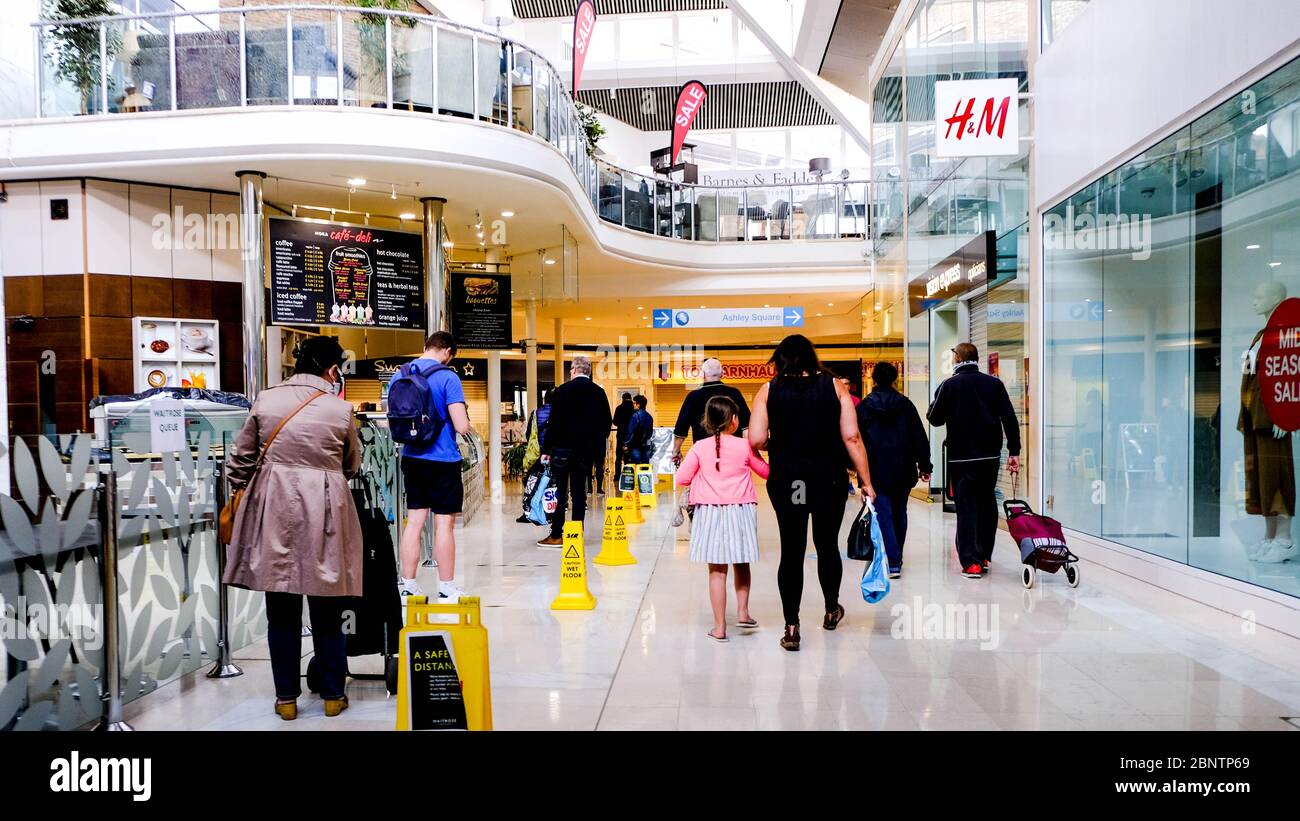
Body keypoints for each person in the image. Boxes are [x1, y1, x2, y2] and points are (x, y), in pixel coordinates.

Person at [224, 336, 361, 721]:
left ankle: (286, 698)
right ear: (332, 370)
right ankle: (333, 695)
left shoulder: (265, 400)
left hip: (273, 506)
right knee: (327, 606)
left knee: (280, 607)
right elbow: (351, 464)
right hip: (327, 508)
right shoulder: (340, 409)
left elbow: (241, 458)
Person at [749, 334, 874, 652]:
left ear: (780, 358)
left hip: (790, 480)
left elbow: (757, 439)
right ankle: (831, 609)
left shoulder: (769, 389)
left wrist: (780, 442)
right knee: (827, 545)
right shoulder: (834, 386)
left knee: (791, 550)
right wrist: (866, 480)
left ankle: (791, 625)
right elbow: (852, 436)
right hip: (827, 478)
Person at [676, 396, 769, 643]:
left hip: (709, 511)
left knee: (717, 570)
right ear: (735, 421)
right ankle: (743, 612)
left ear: (707, 421)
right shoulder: (744, 446)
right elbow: (766, 472)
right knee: (742, 562)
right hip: (740, 509)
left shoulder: (699, 447)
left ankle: (719, 627)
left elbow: (682, 478)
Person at [927, 342, 1021, 579]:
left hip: (961, 457)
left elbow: (934, 418)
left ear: (958, 359)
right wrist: (1014, 451)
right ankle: (985, 554)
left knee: (967, 505)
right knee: (987, 501)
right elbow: (1009, 418)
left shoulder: (949, 385)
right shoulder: (994, 384)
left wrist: (942, 396)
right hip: (990, 455)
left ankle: (972, 562)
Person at [392, 332, 472, 599]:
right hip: (443, 461)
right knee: (443, 525)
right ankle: (446, 587)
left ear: (426, 346)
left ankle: (408, 586)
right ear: (447, 351)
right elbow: (461, 426)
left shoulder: (399, 374)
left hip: (412, 458)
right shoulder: (448, 377)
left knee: (414, 522)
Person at [857, 361, 932, 579]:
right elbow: (919, 437)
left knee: (884, 515)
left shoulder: (863, 408)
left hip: (875, 471)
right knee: (900, 512)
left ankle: (893, 559)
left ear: (873, 379)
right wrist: (924, 465)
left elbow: (855, 439)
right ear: (895, 379)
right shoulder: (906, 405)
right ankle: (896, 557)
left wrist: (856, 470)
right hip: (902, 468)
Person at [537, 356, 612, 548]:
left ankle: (556, 534)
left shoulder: (562, 391)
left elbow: (554, 424)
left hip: (562, 450)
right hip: (586, 452)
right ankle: (576, 533)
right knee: (579, 493)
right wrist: (597, 448)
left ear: (573, 370)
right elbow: (606, 424)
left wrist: (546, 449)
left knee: (560, 492)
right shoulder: (598, 393)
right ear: (588, 371)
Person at [671, 357, 751, 463]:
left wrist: (676, 451)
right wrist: (746, 451)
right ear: (722, 373)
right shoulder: (734, 393)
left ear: (702, 374)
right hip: (733, 455)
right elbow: (747, 427)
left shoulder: (693, 396)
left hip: (704, 455)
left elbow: (681, 427)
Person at [624, 394, 654, 465]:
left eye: (634, 403)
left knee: (636, 466)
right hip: (646, 445)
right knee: (645, 468)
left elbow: (630, 432)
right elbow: (650, 433)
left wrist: (626, 444)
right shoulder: (649, 417)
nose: (633, 405)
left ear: (638, 404)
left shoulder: (635, 416)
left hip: (635, 445)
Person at [611, 392, 635, 482]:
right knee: (629, 456)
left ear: (622, 398)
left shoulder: (619, 408)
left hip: (621, 435)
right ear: (630, 398)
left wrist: (621, 425)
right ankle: (629, 475)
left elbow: (614, 421)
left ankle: (617, 476)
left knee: (619, 456)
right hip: (631, 436)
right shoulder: (634, 409)